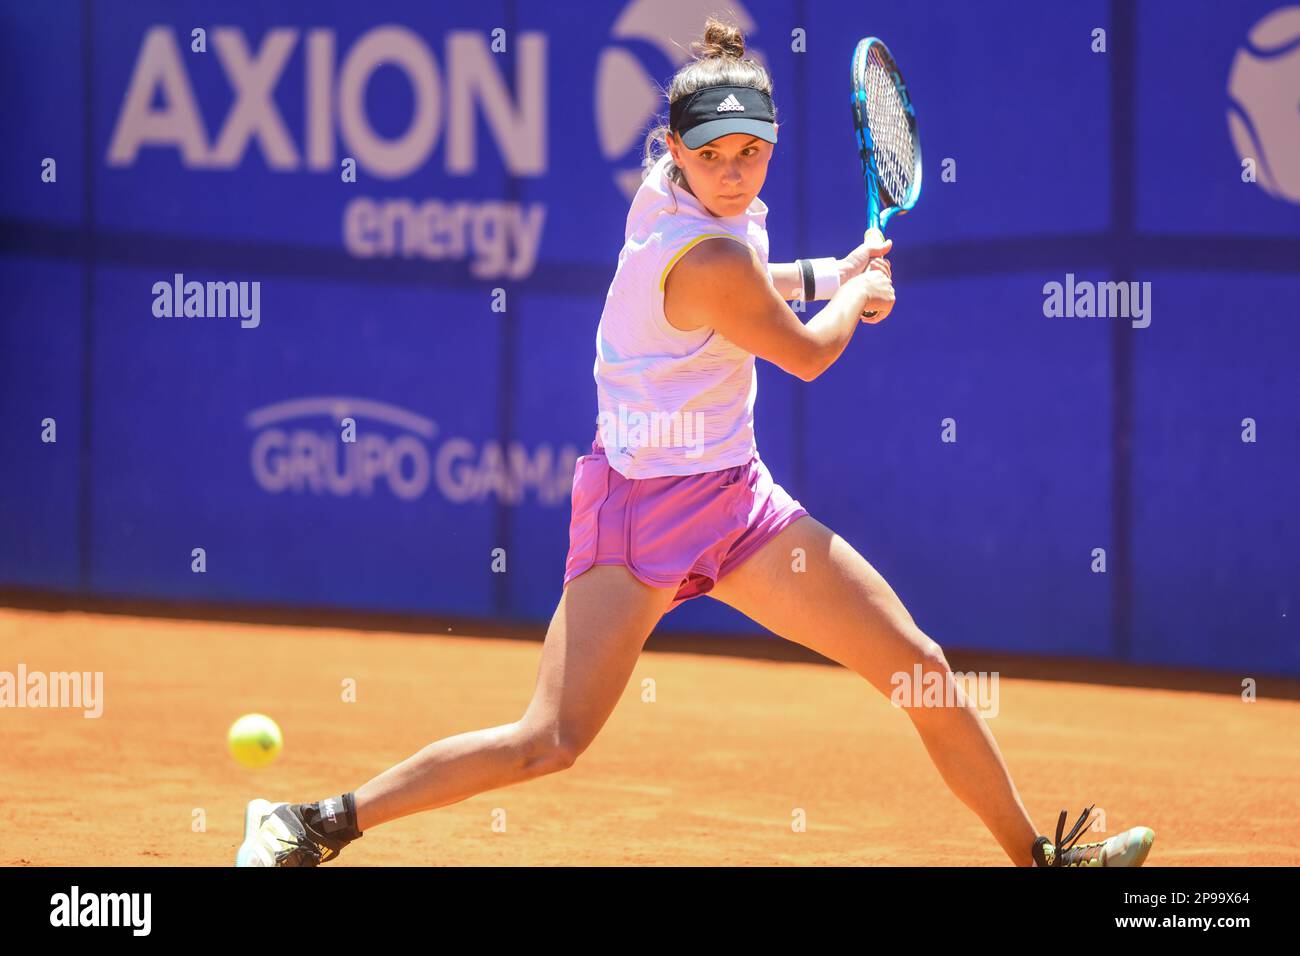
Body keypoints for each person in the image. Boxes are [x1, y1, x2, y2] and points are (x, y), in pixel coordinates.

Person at [236, 16, 1154, 869]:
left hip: (741, 509)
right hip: (639, 522)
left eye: (752, 152)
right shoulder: (703, 251)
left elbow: (759, 282)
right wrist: (850, 297)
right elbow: (801, 355)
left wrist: (831, 271)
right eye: (713, 154)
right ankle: (310, 823)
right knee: (548, 742)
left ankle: (1043, 860)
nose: (735, 171)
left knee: (918, 667)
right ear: (676, 150)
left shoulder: (690, 202)